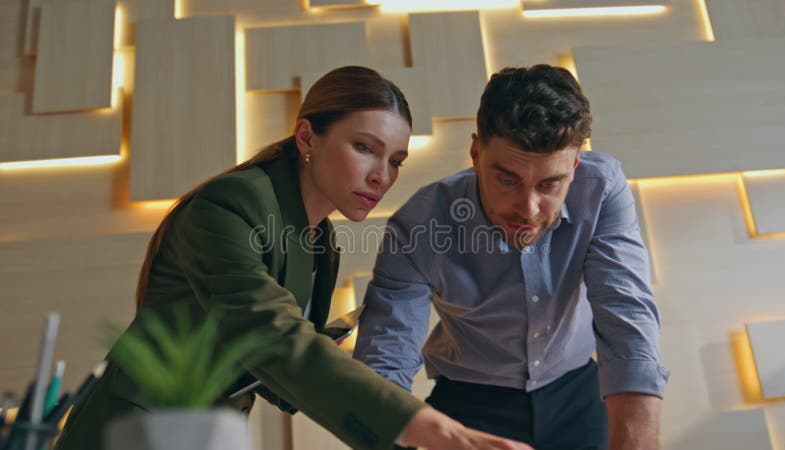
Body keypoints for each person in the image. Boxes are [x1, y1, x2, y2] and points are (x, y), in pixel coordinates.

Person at [54, 66, 533, 450]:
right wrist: (429, 426)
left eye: (395, 161)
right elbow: (271, 336)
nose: (381, 176)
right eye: (364, 148)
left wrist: (337, 352)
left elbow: (274, 369)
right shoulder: (231, 205)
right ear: (307, 137)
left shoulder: (323, 240)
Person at [353, 64, 670, 450]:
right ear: (476, 153)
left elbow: (627, 318)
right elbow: (385, 362)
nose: (528, 208)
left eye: (549, 184)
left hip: (577, 393)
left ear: (574, 165)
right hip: (469, 401)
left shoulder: (601, 189)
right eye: (507, 179)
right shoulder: (419, 224)